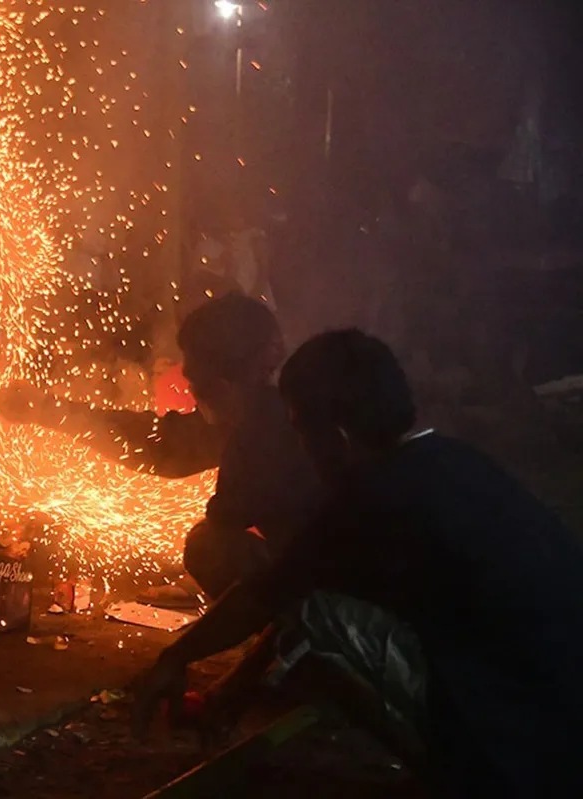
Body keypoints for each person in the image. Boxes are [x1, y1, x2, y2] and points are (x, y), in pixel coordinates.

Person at [133, 329, 583, 797]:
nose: (303, 449)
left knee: (317, 616)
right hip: (562, 702)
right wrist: (232, 691)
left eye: (302, 431)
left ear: (339, 436)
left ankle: (455, 773)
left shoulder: (373, 499)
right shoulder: (456, 460)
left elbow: (268, 595)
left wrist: (176, 656)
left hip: (523, 743)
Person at [0, 292, 323, 598]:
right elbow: (163, 445)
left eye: (194, 367)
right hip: (340, 580)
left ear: (224, 379)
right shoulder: (270, 412)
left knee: (209, 547)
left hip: (348, 595)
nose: (189, 378)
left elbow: (224, 518)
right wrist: (49, 411)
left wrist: (183, 653)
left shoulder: (270, 436)